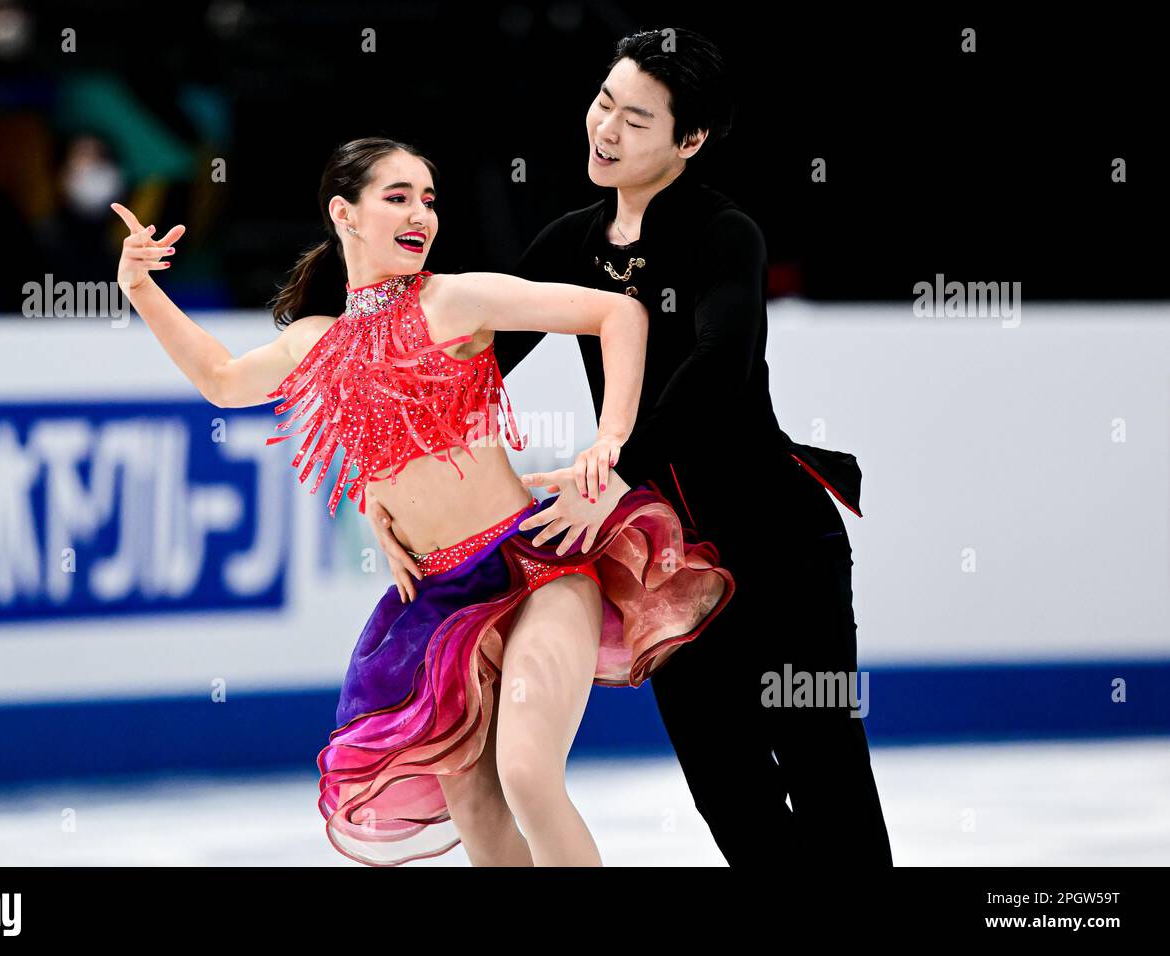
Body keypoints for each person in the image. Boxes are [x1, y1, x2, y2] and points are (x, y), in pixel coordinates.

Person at [109, 136, 735, 867]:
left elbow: (619, 314)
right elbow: (220, 379)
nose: (420, 214)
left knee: (528, 776)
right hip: (438, 599)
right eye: (397, 197)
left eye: (428, 199)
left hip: (534, 566)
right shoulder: (316, 340)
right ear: (344, 213)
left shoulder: (453, 298)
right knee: (475, 804)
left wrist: (610, 443)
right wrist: (142, 290)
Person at [479, 28, 894, 866]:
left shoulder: (723, 233)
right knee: (725, 782)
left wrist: (612, 472)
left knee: (823, 766)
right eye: (604, 101)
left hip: (778, 544)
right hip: (661, 565)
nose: (605, 128)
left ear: (688, 140)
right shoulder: (568, 244)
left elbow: (718, 368)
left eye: (636, 119)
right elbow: (478, 362)